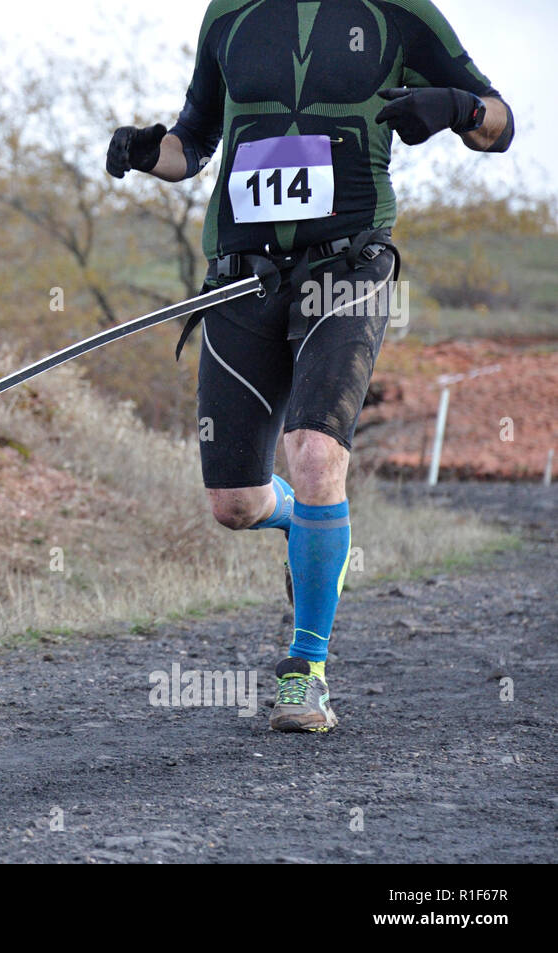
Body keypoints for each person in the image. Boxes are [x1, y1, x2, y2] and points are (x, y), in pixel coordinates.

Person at [106, 0, 513, 731]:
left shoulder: (397, 13)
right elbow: (191, 143)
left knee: (317, 452)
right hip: (241, 275)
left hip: (347, 267)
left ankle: (306, 670)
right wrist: (144, 152)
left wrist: (455, 106)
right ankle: (308, 525)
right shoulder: (228, 15)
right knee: (235, 504)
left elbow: (500, 125)